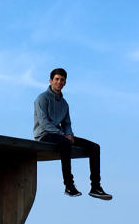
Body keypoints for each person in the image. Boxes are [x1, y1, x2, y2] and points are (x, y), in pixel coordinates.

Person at [33, 67, 112, 200]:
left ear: (65, 83)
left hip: (61, 135)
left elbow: (67, 124)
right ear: (51, 81)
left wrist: (69, 134)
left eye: (62, 80)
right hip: (44, 135)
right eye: (57, 79)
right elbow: (44, 122)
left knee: (94, 147)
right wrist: (64, 136)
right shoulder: (42, 98)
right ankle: (69, 186)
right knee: (65, 144)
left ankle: (95, 187)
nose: (59, 82)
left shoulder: (64, 104)